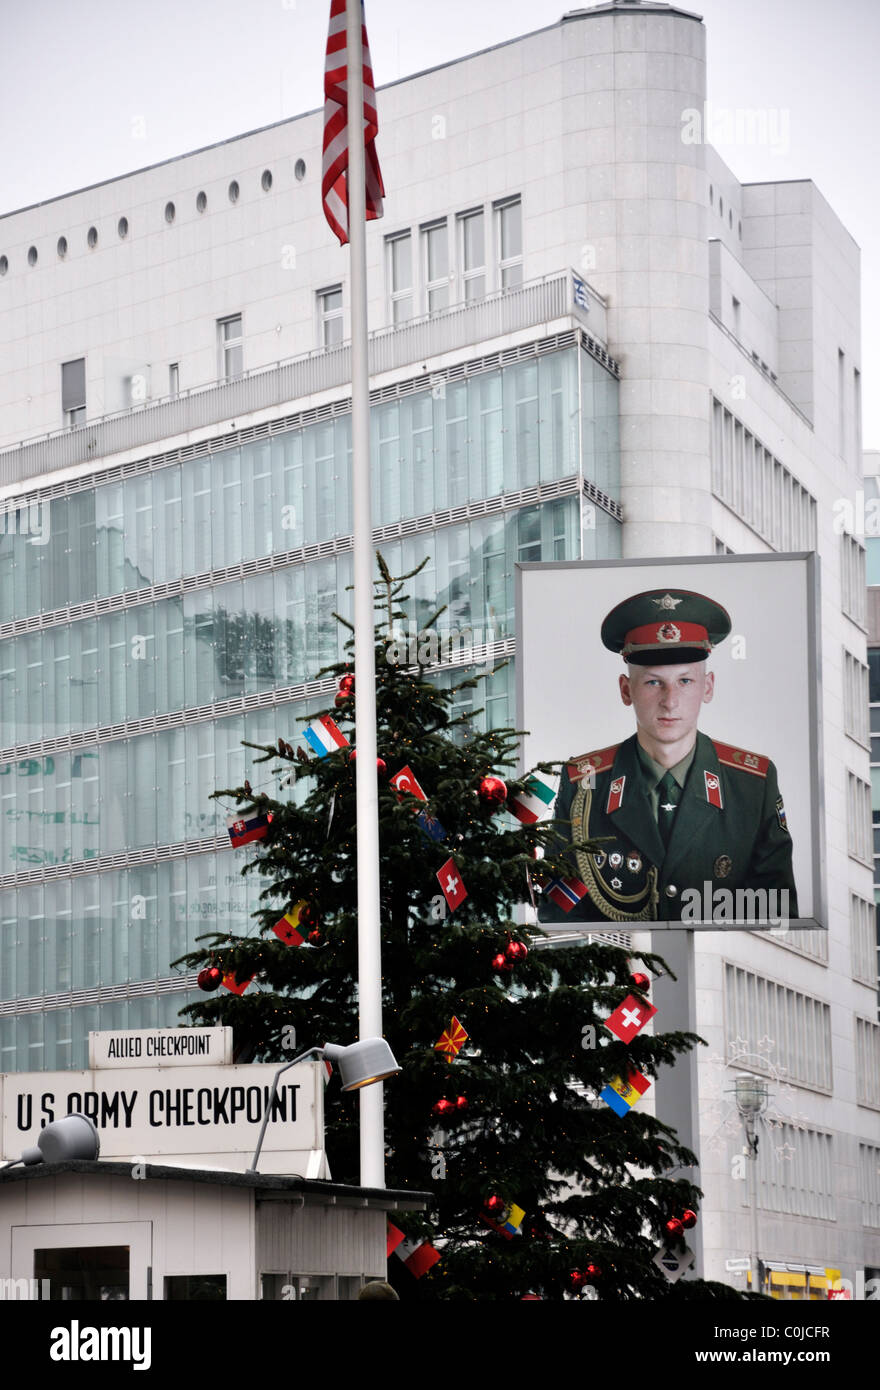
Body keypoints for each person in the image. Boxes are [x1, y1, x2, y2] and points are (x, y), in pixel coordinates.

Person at [538, 588, 797, 925]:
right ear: (626, 690)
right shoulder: (584, 783)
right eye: (653, 683)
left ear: (708, 687)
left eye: (686, 681)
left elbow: (776, 915)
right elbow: (560, 913)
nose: (670, 701)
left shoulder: (752, 784)